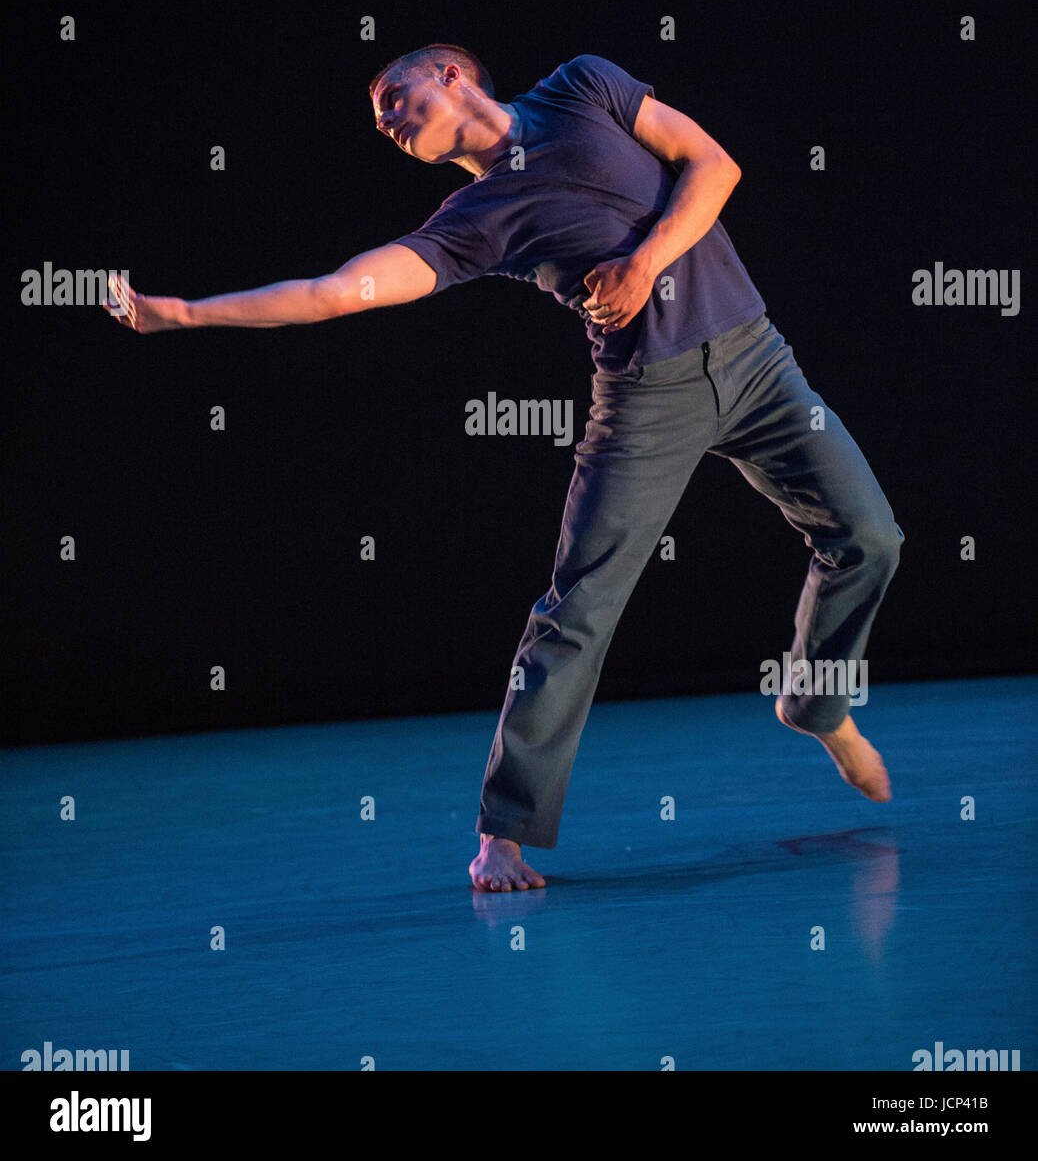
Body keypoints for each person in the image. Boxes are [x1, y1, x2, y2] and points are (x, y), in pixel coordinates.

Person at [105, 43, 904, 894]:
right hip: (645, 398)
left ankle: (817, 703)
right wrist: (185, 314)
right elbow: (339, 290)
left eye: (392, 94)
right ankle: (504, 836)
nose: (382, 119)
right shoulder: (471, 219)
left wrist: (642, 264)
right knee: (577, 612)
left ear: (451, 74)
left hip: (757, 360)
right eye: (377, 116)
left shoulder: (582, 89)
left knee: (869, 536)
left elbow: (715, 164)